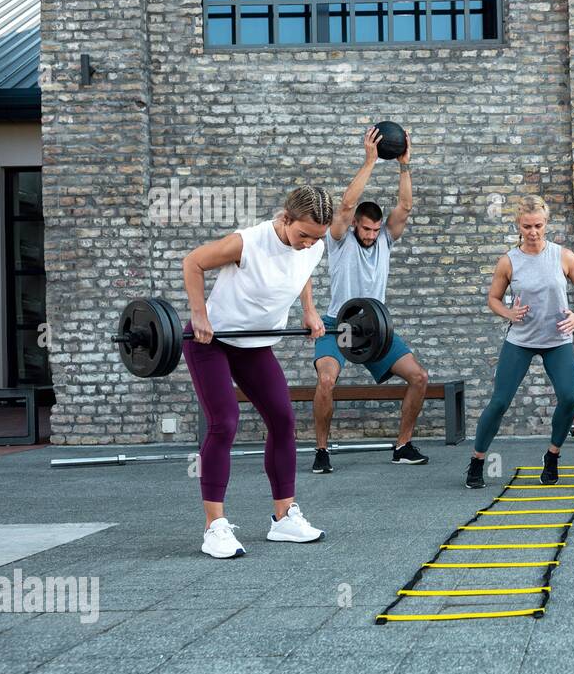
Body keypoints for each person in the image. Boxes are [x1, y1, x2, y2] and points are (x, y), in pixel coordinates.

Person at [181, 186, 332, 559]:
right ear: (285, 219)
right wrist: (199, 314)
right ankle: (214, 527)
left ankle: (283, 518)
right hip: (211, 340)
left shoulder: (313, 246)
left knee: (282, 420)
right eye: (303, 235)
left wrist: (309, 309)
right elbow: (193, 262)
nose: (309, 243)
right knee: (224, 422)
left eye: (317, 237)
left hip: (254, 344)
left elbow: (304, 269)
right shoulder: (247, 243)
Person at [311, 126, 430, 473]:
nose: (370, 235)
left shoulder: (384, 241)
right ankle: (321, 450)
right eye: (365, 229)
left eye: (375, 230)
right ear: (355, 227)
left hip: (375, 326)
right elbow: (347, 203)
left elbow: (404, 207)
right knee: (326, 380)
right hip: (340, 326)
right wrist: (370, 161)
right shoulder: (339, 239)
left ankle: (403, 445)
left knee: (419, 377)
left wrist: (404, 164)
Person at [466, 196, 574, 488]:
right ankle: (476, 461)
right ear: (518, 225)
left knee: (569, 398)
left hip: (557, 339)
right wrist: (508, 312)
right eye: (527, 226)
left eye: (538, 225)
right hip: (521, 340)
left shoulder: (563, 256)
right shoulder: (509, 261)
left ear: (546, 223)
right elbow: (493, 299)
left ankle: (552, 456)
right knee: (499, 402)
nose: (533, 232)